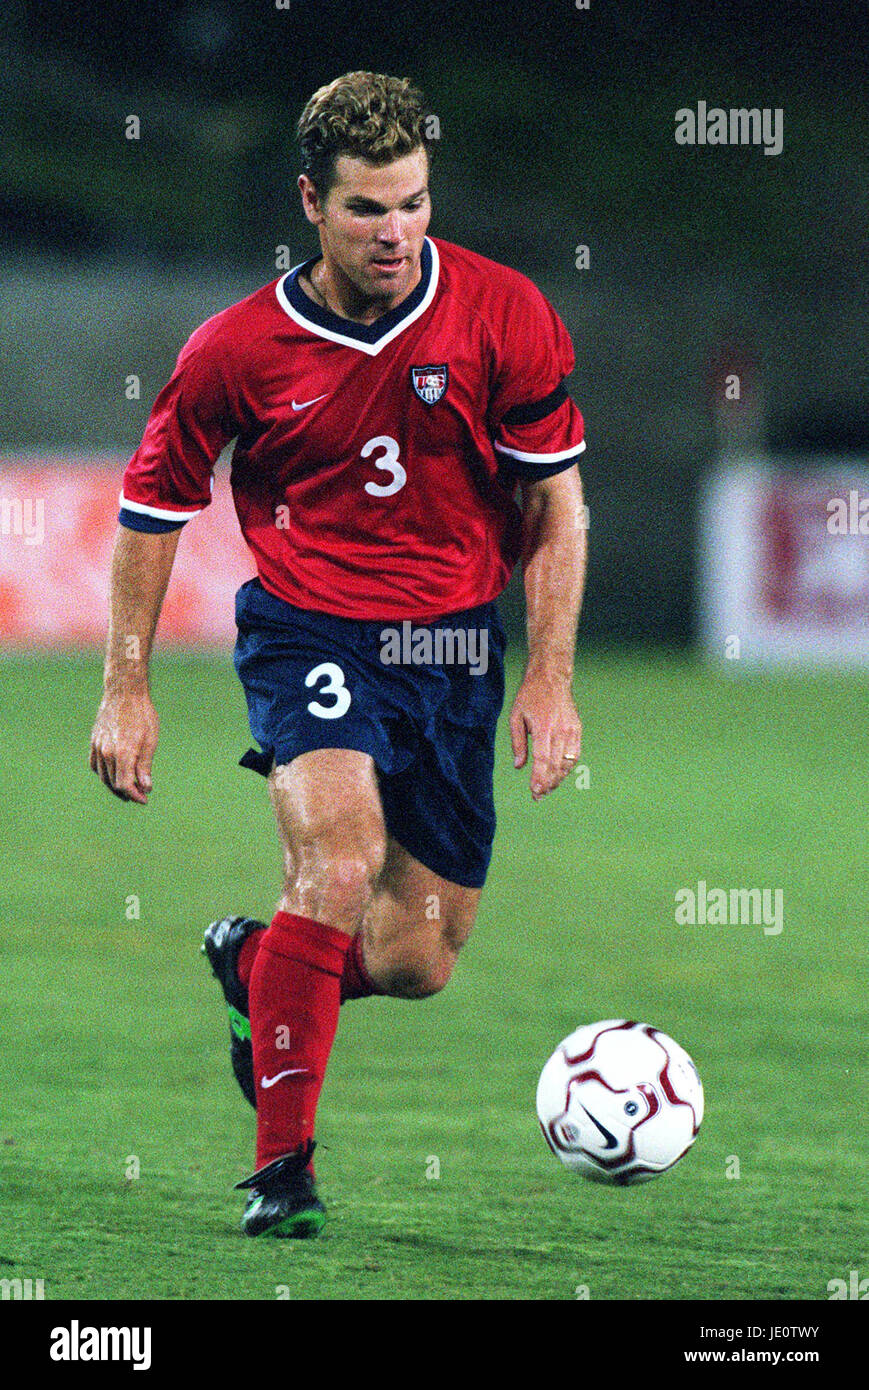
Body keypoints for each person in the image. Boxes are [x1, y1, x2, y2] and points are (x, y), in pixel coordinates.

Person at [89, 70, 587, 1238]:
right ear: (312, 202)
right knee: (339, 858)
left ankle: (256, 965)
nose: (395, 231)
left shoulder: (502, 311)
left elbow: (556, 505)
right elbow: (152, 510)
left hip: (456, 647)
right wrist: (126, 687)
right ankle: (282, 1174)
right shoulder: (235, 349)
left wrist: (551, 678)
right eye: (367, 208)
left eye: (412, 201)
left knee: (418, 955)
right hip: (310, 629)